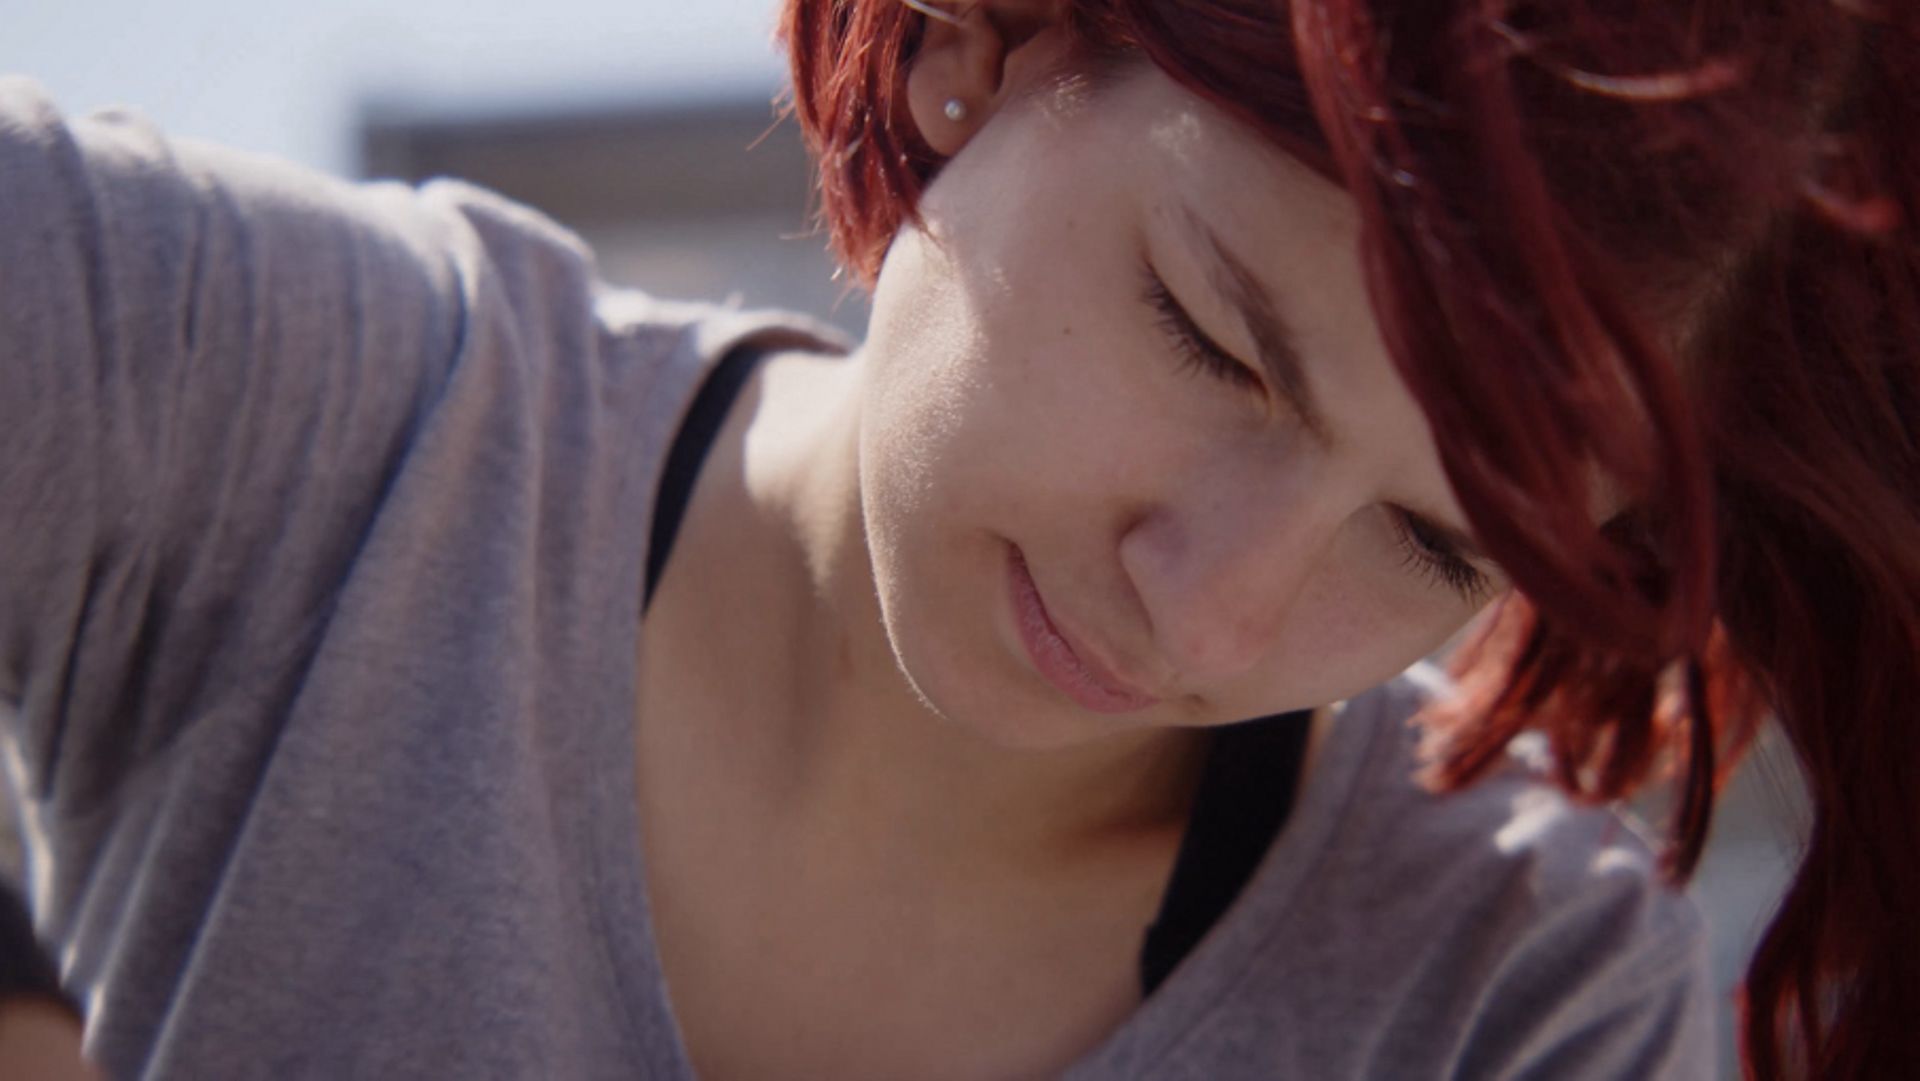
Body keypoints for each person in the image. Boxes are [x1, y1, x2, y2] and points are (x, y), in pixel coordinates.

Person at [0, 0, 1911, 1077]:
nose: (1213, 614)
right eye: (1213, 340)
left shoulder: (1507, 1004)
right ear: (979, 46)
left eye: (1434, 544)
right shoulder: (317, 418)